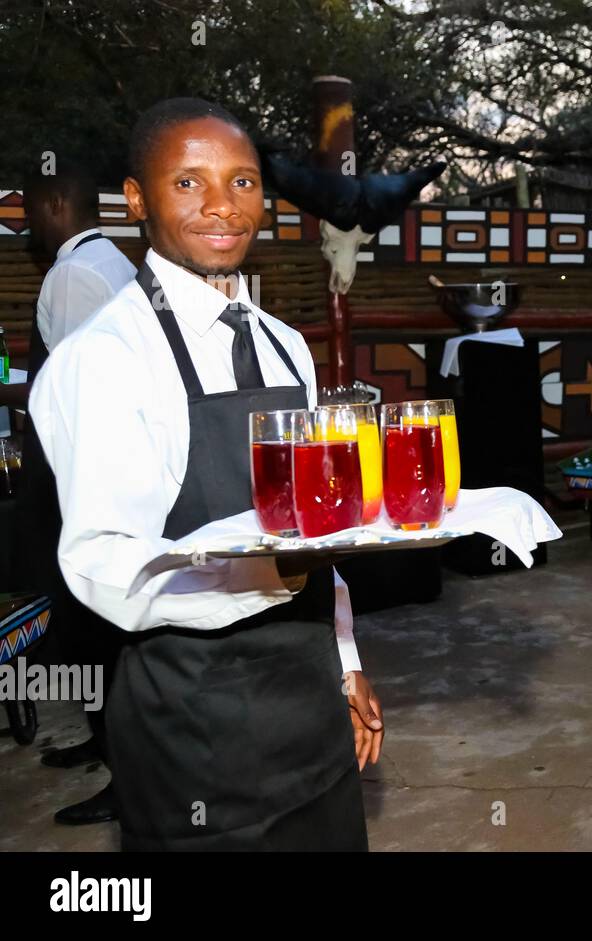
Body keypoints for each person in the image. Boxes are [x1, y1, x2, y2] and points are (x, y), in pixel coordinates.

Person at [29, 97, 384, 851]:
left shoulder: (286, 344)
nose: (223, 206)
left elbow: (313, 528)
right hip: (192, 728)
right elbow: (104, 565)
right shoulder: (105, 358)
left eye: (244, 181)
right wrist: (271, 575)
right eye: (189, 183)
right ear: (136, 200)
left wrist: (346, 661)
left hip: (311, 712)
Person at [14, 160, 136, 826]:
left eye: (30, 208)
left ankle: (128, 773)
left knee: (88, 625)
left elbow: (77, 396)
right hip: (105, 478)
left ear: (57, 202)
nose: (26, 223)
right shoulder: (114, 264)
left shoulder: (70, 276)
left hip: (81, 482)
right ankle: (103, 740)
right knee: (97, 626)